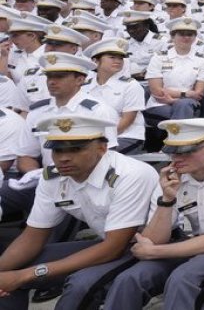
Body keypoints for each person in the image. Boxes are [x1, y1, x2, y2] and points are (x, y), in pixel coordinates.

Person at [104, 118, 204, 309]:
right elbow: (152, 240)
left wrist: (155, 252)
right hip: (191, 239)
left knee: (183, 280)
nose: (177, 159)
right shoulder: (173, 175)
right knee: (131, 279)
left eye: (188, 152)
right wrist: (166, 199)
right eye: (173, 152)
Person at [0, 114, 157, 310]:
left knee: (81, 284)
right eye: (57, 150)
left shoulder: (130, 174)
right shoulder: (53, 177)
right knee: (11, 268)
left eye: (76, 149)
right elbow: (33, 236)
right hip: (109, 244)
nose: (64, 158)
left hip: (148, 248)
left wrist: (25, 276)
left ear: (102, 147)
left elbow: (114, 247)